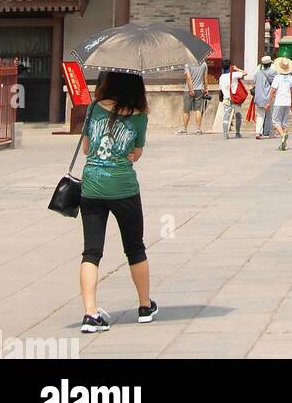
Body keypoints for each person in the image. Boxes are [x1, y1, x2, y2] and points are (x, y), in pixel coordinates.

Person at [78, 70, 157, 332]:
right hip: (123, 188)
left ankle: (90, 314)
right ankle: (145, 306)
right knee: (135, 248)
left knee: (91, 251)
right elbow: (136, 153)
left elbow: (87, 148)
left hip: (91, 186)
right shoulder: (140, 116)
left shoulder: (93, 108)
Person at [269, 54, 292, 150]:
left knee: (275, 121)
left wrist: (269, 101)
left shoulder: (277, 78)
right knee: (284, 122)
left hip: (279, 101)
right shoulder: (291, 78)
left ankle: (282, 135)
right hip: (287, 102)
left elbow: (272, 90)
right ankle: (283, 142)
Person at [176, 57, 209, 134]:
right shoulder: (204, 64)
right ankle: (198, 129)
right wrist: (206, 88)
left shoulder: (188, 64)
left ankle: (185, 128)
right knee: (198, 110)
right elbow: (205, 77)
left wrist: (191, 89)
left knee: (186, 110)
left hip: (188, 90)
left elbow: (188, 77)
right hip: (200, 89)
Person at [218, 59, 247, 139]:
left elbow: (220, 89)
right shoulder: (234, 74)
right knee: (238, 115)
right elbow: (245, 73)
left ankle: (225, 134)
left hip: (226, 98)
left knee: (226, 116)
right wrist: (237, 69)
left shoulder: (221, 77)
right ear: (230, 66)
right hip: (236, 98)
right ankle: (237, 133)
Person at [251, 56, 275, 139]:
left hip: (259, 97)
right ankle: (271, 133)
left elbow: (254, 82)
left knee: (260, 115)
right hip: (269, 97)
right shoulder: (274, 73)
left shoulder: (257, 73)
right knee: (271, 115)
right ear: (270, 63)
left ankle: (258, 132)